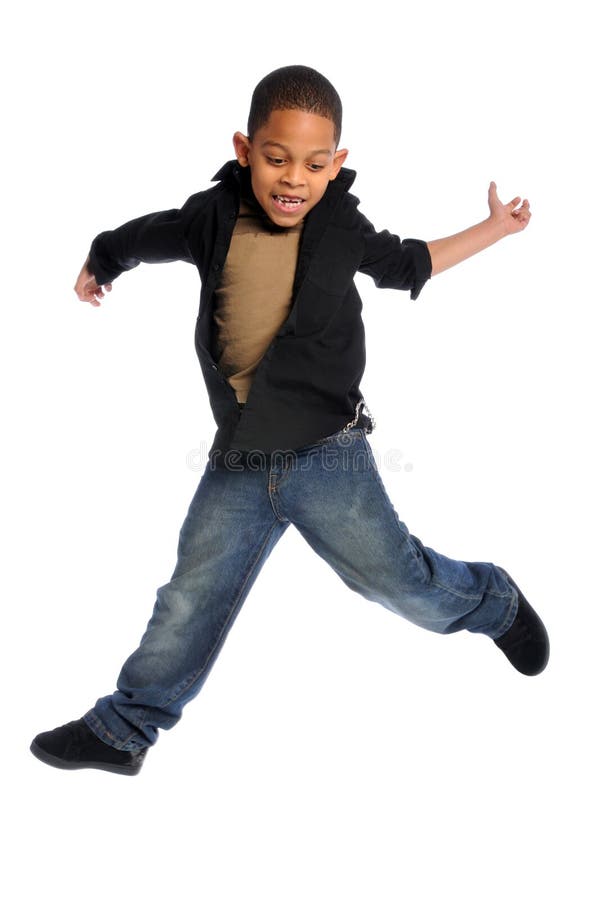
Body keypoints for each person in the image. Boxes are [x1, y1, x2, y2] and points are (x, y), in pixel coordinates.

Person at [31, 65, 549, 777]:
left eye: (313, 163)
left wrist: (495, 227)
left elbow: (411, 264)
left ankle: (493, 601)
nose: (293, 179)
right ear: (246, 150)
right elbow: (146, 235)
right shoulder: (212, 217)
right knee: (190, 596)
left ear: (336, 164)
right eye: (277, 158)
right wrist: (103, 258)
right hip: (243, 455)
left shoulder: (342, 228)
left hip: (325, 455)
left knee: (397, 581)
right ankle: (123, 729)